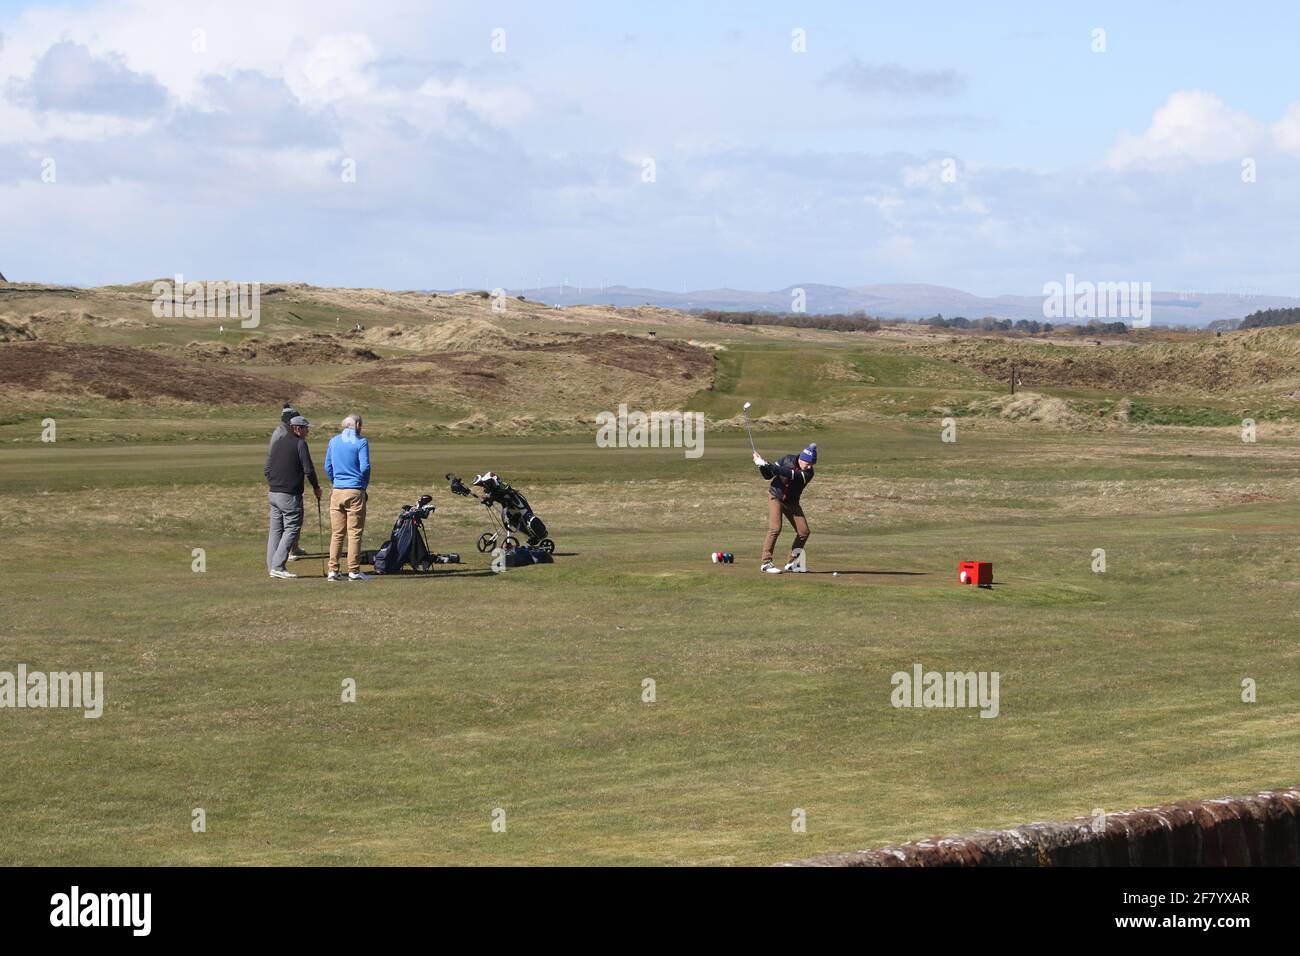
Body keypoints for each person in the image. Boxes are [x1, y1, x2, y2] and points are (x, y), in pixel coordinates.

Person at [264, 415, 321, 579]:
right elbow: (308, 469)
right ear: (297, 428)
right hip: (289, 495)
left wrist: (275, 482)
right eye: (305, 428)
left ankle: (272, 567)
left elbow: (267, 469)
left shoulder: (278, 441)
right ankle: (278, 566)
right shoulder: (300, 443)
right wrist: (316, 487)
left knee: (275, 530)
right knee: (292, 528)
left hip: (273, 493)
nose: (307, 431)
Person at [753, 442, 816, 574]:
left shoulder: (808, 473)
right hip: (775, 496)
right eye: (807, 463)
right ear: (801, 458)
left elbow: (789, 473)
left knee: (804, 532)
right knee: (775, 528)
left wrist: (766, 464)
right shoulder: (787, 459)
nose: (809, 466)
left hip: (792, 502)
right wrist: (761, 465)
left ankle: (792, 563)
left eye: (811, 464)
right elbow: (768, 475)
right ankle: (766, 562)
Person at [325, 413, 371, 581]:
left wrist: (335, 481)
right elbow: (365, 467)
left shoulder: (333, 441)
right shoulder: (361, 442)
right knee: (354, 533)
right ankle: (353, 570)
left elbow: (327, 466)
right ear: (357, 425)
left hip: (337, 491)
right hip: (355, 490)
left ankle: (333, 570)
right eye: (361, 424)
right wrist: (363, 484)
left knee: (337, 533)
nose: (361, 427)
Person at [267, 403, 309, 561]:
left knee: (294, 519)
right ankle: (282, 557)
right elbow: (271, 461)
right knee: (288, 523)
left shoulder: (290, 434)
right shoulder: (281, 434)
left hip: (286, 486)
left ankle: (294, 548)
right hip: (284, 486)